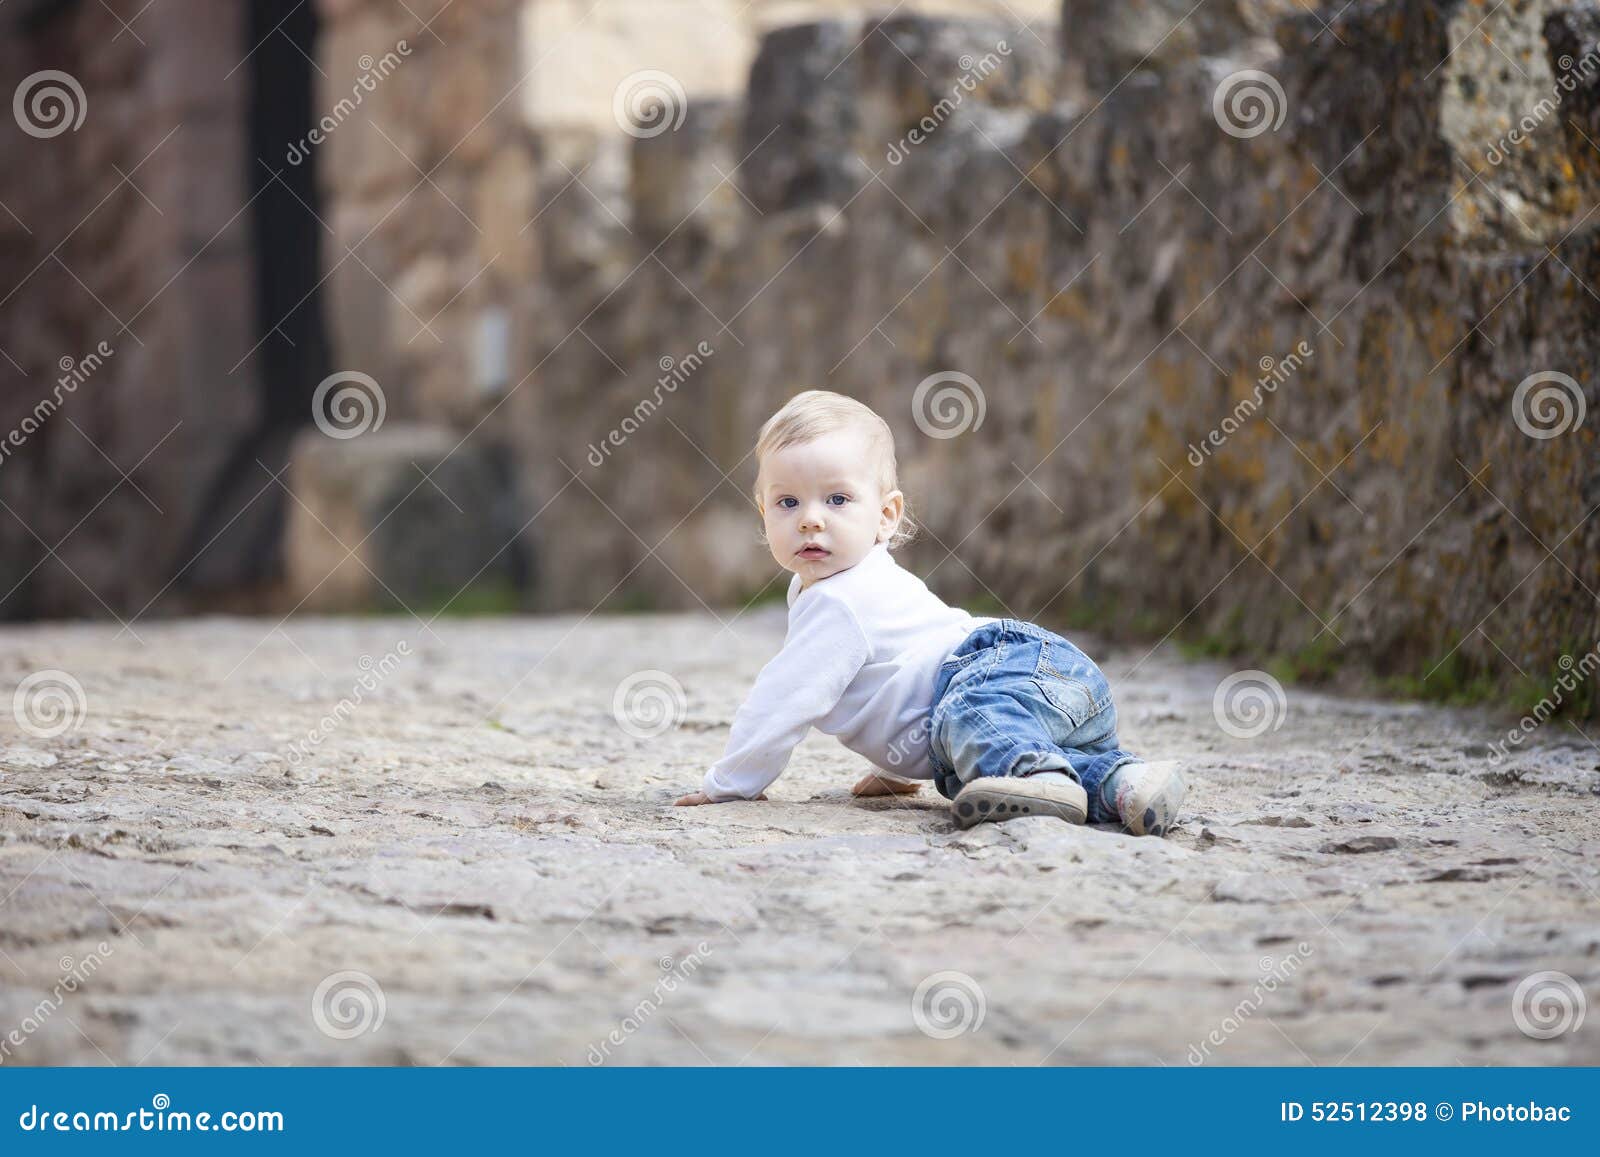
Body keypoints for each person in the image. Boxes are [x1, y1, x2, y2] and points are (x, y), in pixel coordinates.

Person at [673, 389, 1186, 835]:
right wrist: (896, 766)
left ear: (885, 515)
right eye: (788, 503)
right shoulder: (859, 583)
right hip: (1053, 683)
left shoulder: (839, 601)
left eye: (836, 499)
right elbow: (896, 679)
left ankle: (1037, 780)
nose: (810, 520)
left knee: (968, 722)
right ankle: (1128, 786)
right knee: (969, 766)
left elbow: (783, 700)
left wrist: (731, 784)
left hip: (998, 672)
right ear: (762, 513)